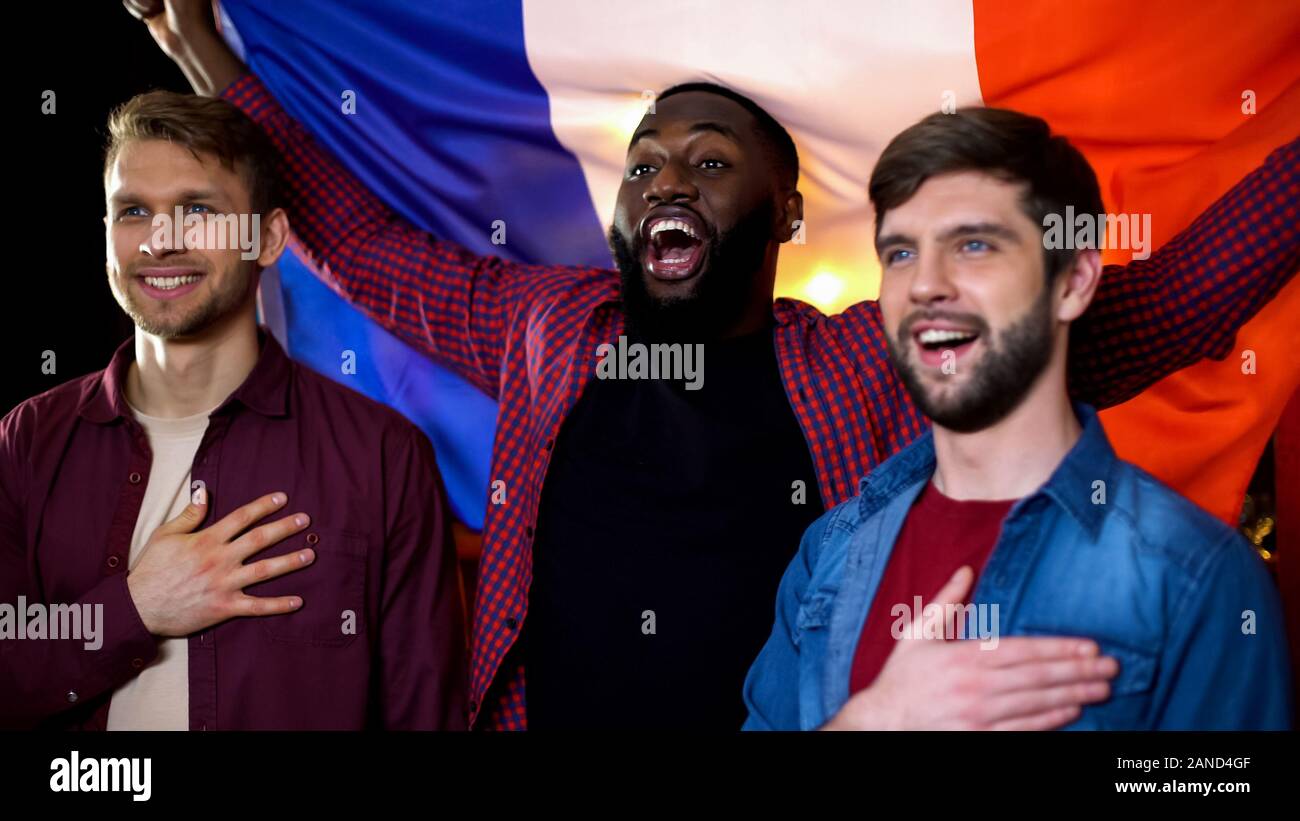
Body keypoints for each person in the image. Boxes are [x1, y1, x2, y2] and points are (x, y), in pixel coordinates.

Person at [132, 0, 1297, 729]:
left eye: (707, 159)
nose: (666, 180)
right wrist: (211, 58)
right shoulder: (547, 327)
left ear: (786, 212)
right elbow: (367, 247)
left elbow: (1164, 307)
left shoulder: (869, 360)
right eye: (643, 166)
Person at [743, 108, 1292, 730]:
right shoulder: (829, 554)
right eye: (900, 253)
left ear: (1073, 282)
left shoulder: (1194, 572)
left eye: (973, 244)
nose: (925, 283)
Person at [0, 90, 466, 730]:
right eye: (134, 210)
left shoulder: (382, 455)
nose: (161, 243)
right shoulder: (27, 440)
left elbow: (424, 714)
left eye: (197, 210)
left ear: (268, 238)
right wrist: (134, 610)